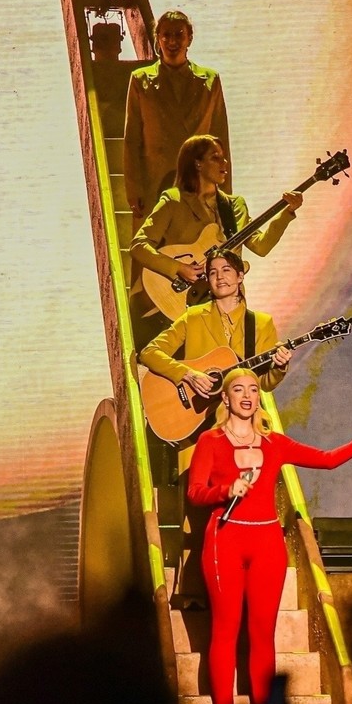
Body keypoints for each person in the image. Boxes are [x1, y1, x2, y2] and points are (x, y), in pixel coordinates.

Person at [187, 369, 352, 704]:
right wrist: (226, 489)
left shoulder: (274, 444)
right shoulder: (210, 441)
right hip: (225, 540)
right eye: (238, 390)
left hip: (267, 543)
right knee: (225, 630)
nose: (247, 396)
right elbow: (195, 492)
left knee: (261, 633)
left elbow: (328, 459)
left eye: (253, 389)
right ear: (226, 399)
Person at [141, 249, 293, 608]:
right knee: (197, 519)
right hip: (198, 428)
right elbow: (149, 352)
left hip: (242, 435)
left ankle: (239, 591)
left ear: (241, 277)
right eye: (213, 272)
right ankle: (194, 594)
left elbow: (264, 382)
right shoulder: (193, 318)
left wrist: (281, 366)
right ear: (207, 281)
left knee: (241, 512)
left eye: (228, 270)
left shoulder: (262, 323)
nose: (220, 276)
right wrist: (186, 374)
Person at [130, 134, 303, 347]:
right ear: (197, 163)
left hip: (225, 302)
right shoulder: (174, 200)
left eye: (224, 158)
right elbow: (138, 246)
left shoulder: (234, 205)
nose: (224, 163)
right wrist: (178, 268)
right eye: (216, 157)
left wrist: (286, 214)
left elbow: (260, 246)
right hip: (184, 299)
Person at [123, 10, 232, 225]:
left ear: (189, 38)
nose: (172, 41)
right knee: (155, 250)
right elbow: (132, 140)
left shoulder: (210, 80)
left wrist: (225, 192)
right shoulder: (140, 80)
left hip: (200, 183)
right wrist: (134, 189)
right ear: (158, 39)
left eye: (179, 34)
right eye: (166, 35)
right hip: (156, 183)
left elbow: (221, 137)